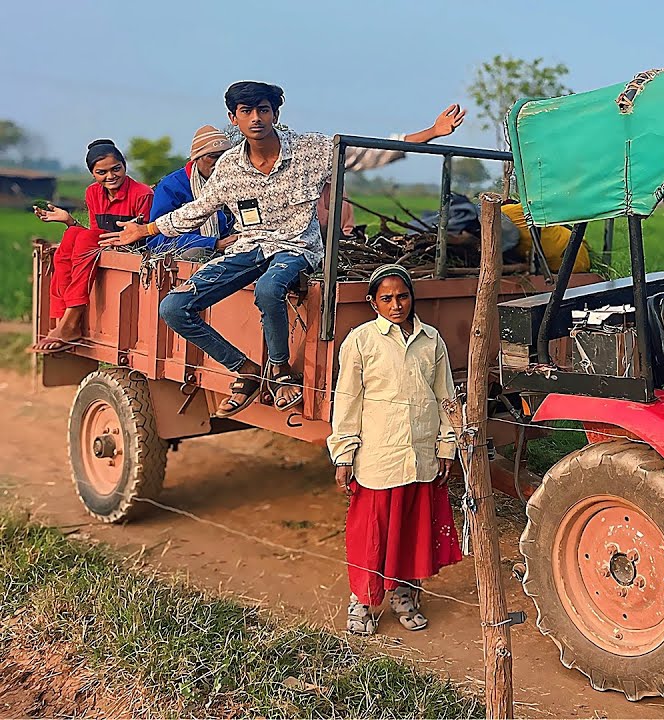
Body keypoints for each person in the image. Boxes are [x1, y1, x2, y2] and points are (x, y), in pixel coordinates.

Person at [104, 81, 466, 417]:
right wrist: (145, 228)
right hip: (249, 246)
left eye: (262, 110)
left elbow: (367, 153)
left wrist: (432, 132)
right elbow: (198, 209)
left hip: (296, 247)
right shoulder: (229, 166)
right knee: (174, 306)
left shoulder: (312, 150)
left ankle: (280, 372)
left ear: (275, 114)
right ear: (234, 119)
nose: (255, 118)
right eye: (245, 111)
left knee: (269, 288)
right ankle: (245, 369)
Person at [327, 264, 462, 635]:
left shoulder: (431, 340)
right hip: (378, 455)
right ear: (373, 303)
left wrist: (446, 445)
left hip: (419, 453)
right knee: (373, 533)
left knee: (410, 532)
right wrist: (344, 453)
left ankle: (404, 594)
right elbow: (348, 401)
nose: (396, 304)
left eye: (402, 296)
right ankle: (364, 601)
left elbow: (444, 396)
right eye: (386, 298)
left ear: (411, 297)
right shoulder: (361, 341)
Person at [31, 140, 153, 354]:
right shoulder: (92, 192)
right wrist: (69, 221)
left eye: (116, 169)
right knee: (71, 236)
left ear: (124, 165)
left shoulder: (142, 194)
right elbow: (95, 230)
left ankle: (70, 321)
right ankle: (62, 318)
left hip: (131, 247)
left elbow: (146, 235)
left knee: (84, 238)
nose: (111, 176)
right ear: (93, 174)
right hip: (102, 243)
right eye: (101, 172)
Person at [147, 125, 237, 259]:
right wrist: (213, 243)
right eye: (213, 157)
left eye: (225, 157)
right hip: (186, 257)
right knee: (196, 254)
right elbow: (156, 240)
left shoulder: (235, 183)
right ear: (196, 158)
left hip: (226, 251)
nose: (219, 163)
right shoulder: (171, 186)